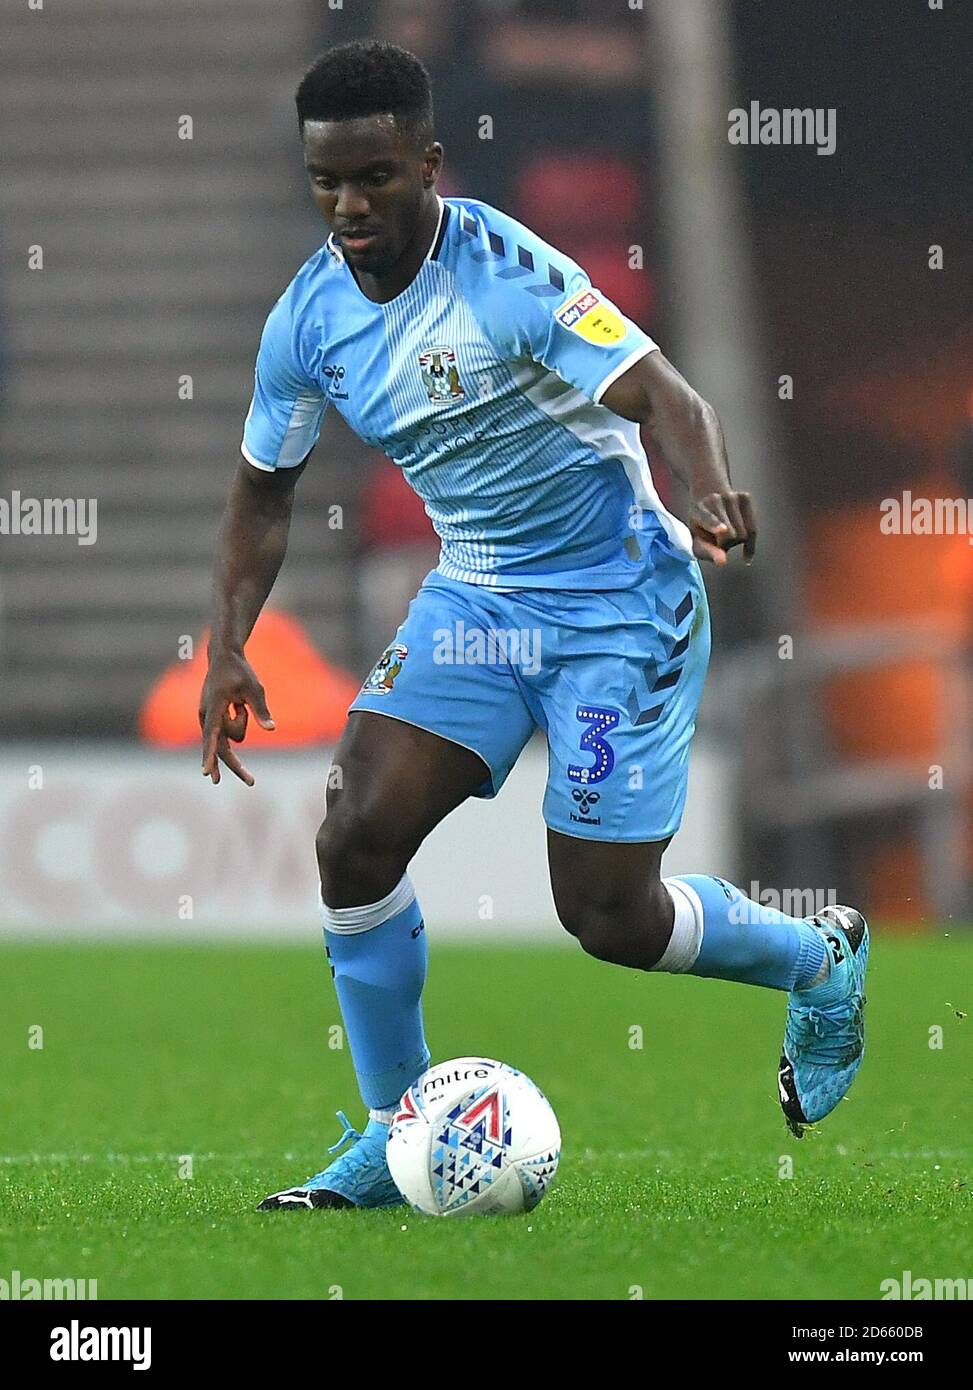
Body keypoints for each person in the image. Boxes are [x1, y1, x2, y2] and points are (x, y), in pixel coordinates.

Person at [199, 40, 868, 1211]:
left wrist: (704, 485)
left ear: (428, 164)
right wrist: (229, 642)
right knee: (354, 832)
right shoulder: (304, 322)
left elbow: (669, 391)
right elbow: (263, 487)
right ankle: (394, 1128)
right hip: (479, 597)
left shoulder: (504, 271)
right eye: (327, 182)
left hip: (620, 598)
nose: (349, 206)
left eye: (374, 177)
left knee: (607, 916)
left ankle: (819, 959)